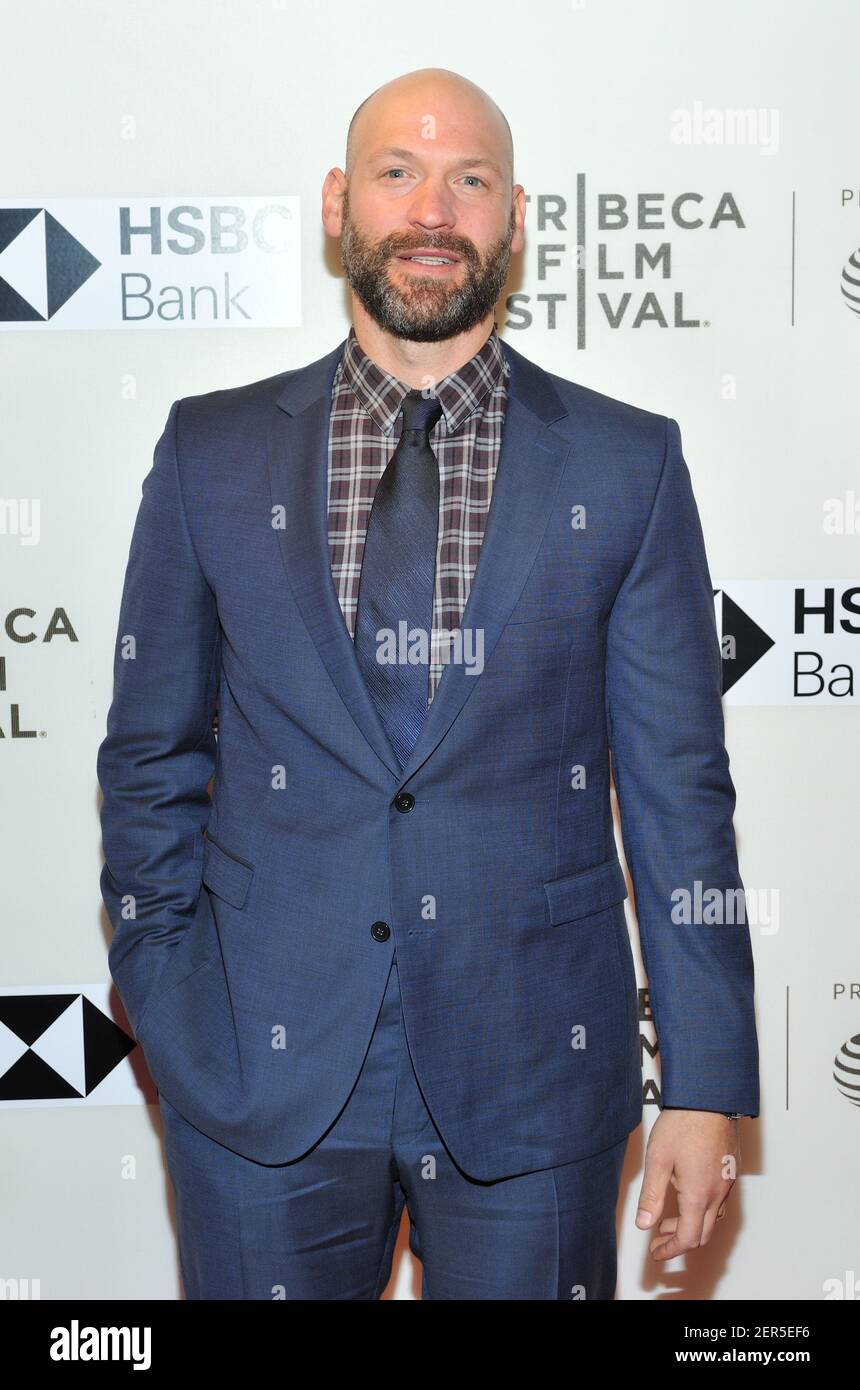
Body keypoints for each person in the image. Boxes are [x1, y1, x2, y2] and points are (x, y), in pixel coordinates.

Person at [97, 66, 759, 1300]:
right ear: (340, 205)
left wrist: (707, 1083)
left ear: (514, 217)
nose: (432, 211)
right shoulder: (211, 450)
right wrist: (170, 1002)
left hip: (533, 1068)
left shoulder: (627, 464)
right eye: (398, 173)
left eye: (470, 180)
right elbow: (150, 755)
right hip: (259, 1062)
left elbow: (678, 791)